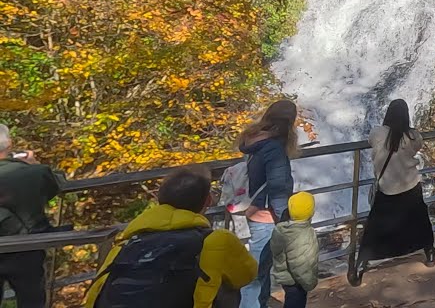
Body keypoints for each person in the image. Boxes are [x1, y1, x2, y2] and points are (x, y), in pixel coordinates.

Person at [85, 166, 256, 308]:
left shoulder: (127, 241)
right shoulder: (216, 240)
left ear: (160, 199)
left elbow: (96, 292)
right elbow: (247, 275)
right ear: (208, 201)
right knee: (227, 285)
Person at [350, 99, 435, 286]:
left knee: (375, 227)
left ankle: (360, 265)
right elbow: (418, 146)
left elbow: (372, 141)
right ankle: (429, 253)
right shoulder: (413, 135)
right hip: (410, 184)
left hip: (386, 186)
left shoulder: (378, 133)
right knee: (420, 221)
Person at [237, 99, 299, 308]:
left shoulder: (255, 140)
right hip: (267, 216)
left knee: (258, 270)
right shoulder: (274, 148)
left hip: (255, 212)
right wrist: (286, 220)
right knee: (257, 273)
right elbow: (278, 187)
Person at [0, 126, 61, 308]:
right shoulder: (34, 172)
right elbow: (54, 187)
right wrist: (33, 164)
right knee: (32, 300)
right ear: (9, 144)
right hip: (27, 246)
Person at [270, 192, 318, 308]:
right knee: (296, 303)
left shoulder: (282, 229)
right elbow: (299, 265)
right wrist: (309, 283)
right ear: (310, 212)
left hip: (286, 277)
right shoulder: (302, 236)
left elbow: (276, 250)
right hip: (297, 281)